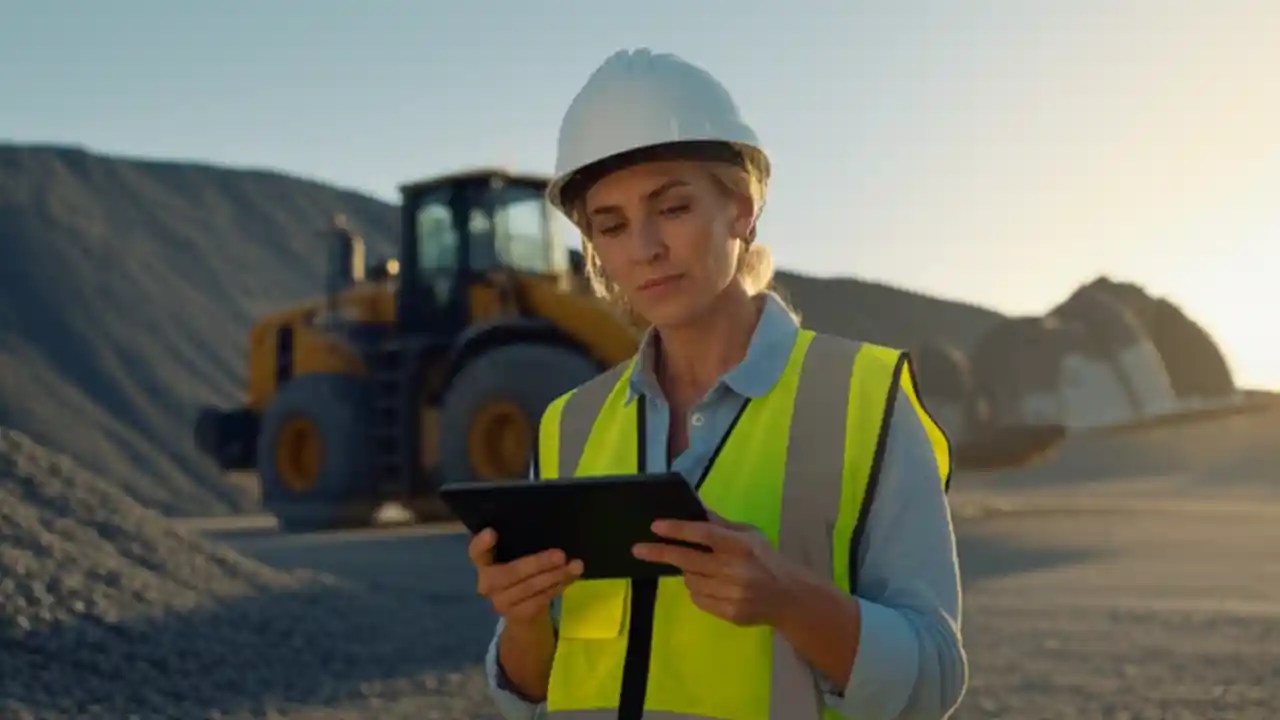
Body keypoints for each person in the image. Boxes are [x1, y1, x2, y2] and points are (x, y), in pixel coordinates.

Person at [469, 47, 967, 719]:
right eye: (610, 225)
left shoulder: (861, 397)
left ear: (742, 210)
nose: (643, 248)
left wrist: (789, 599)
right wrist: (523, 620)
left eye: (671, 208)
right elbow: (532, 694)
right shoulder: (569, 424)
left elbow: (932, 680)